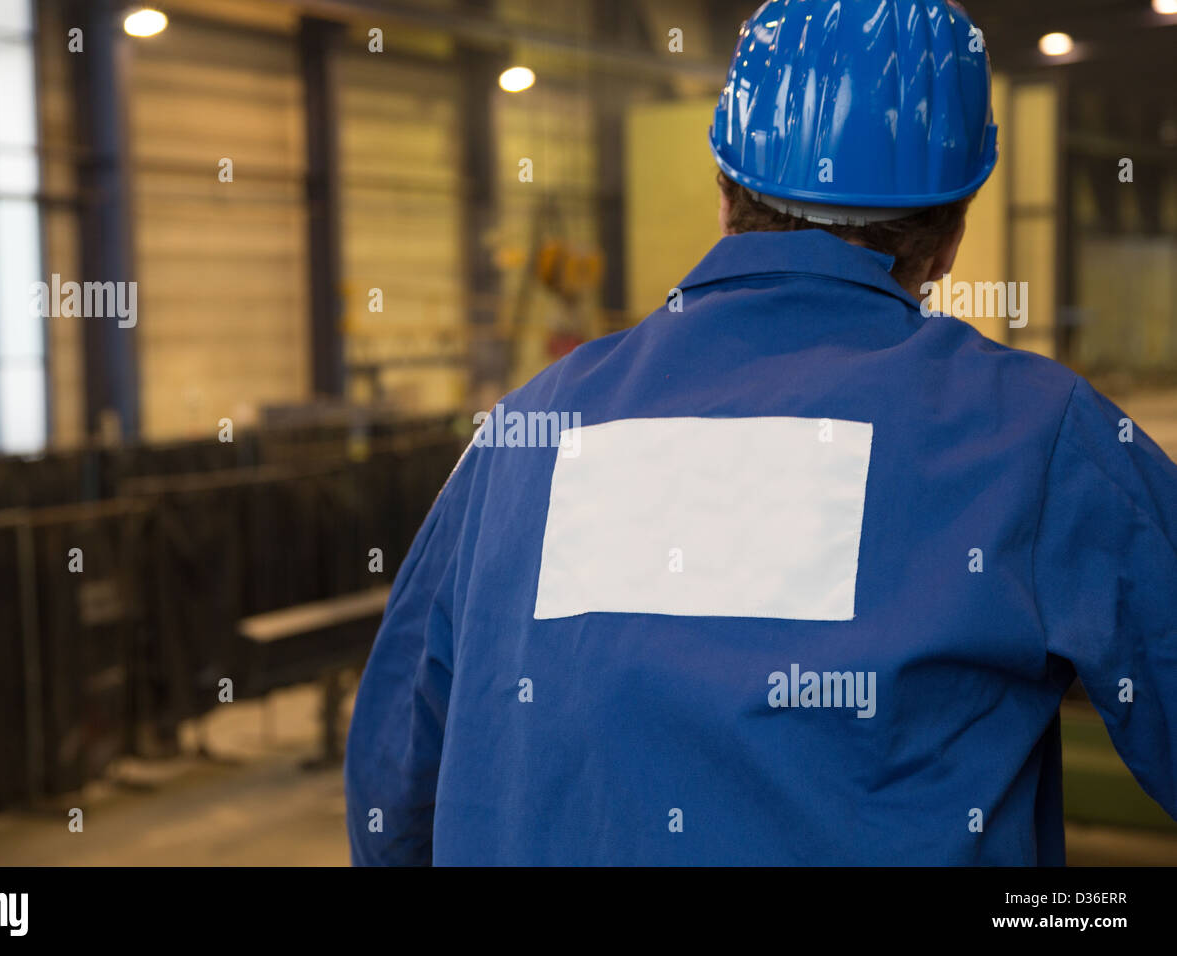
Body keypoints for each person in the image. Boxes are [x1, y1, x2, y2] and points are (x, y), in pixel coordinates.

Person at [344, 0, 1177, 865]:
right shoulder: (1040, 439)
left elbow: (393, 787)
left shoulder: (521, 436)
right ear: (950, 240)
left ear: (723, 195)